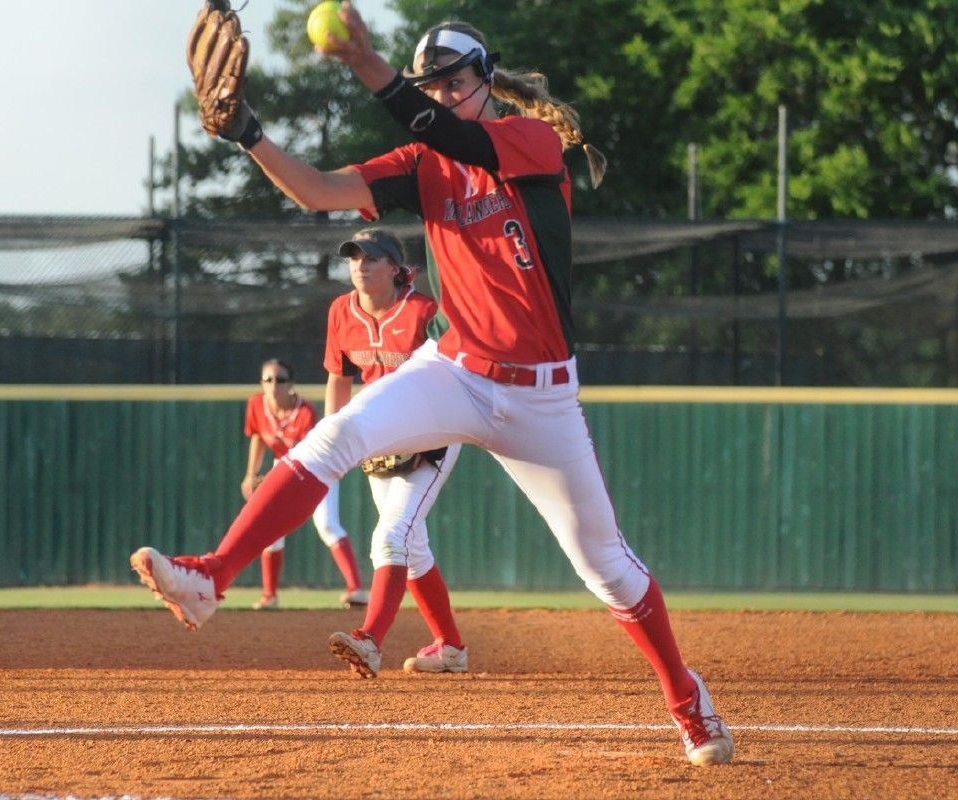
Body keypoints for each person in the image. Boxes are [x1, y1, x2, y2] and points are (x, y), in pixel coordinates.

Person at [130, 2, 732, 766]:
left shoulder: (530, 140)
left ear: (486, 77)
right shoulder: (423, 163)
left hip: (540, 395)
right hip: (455, 369)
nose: (444, 94)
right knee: (336, 435)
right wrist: (249, 133)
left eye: (454, 80)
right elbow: (317, 190)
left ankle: (686, 699)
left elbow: (455, 136)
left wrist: (365, 63)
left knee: (606, 568)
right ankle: (211, 577)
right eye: (433, 85)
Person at [323, 227, 467, 675]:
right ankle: (451, 648)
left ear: (394, 268)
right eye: (354, 258)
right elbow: (339, 379)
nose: (360, 265)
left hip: (430, 440)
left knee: (390, 536)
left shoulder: (424, 311)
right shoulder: (341, 311)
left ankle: (369, 640)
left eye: (370, 258)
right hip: (378, 442)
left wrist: (429, 430)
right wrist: (335, 442)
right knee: (412, 545)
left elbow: (453, 376)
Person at [241, 358, 369, 610]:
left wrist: (271, 478)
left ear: (291, 384)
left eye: (280, 379)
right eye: (268, 379)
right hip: (282, 465)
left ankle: (356, 590)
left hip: (317, 467)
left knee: (327, 524)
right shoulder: (256, 404)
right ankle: (270, 596)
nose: (273, 385)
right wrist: (250, 474)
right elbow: (258, 438)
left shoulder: (304, 411)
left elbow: (305, 455)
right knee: (271, 529)